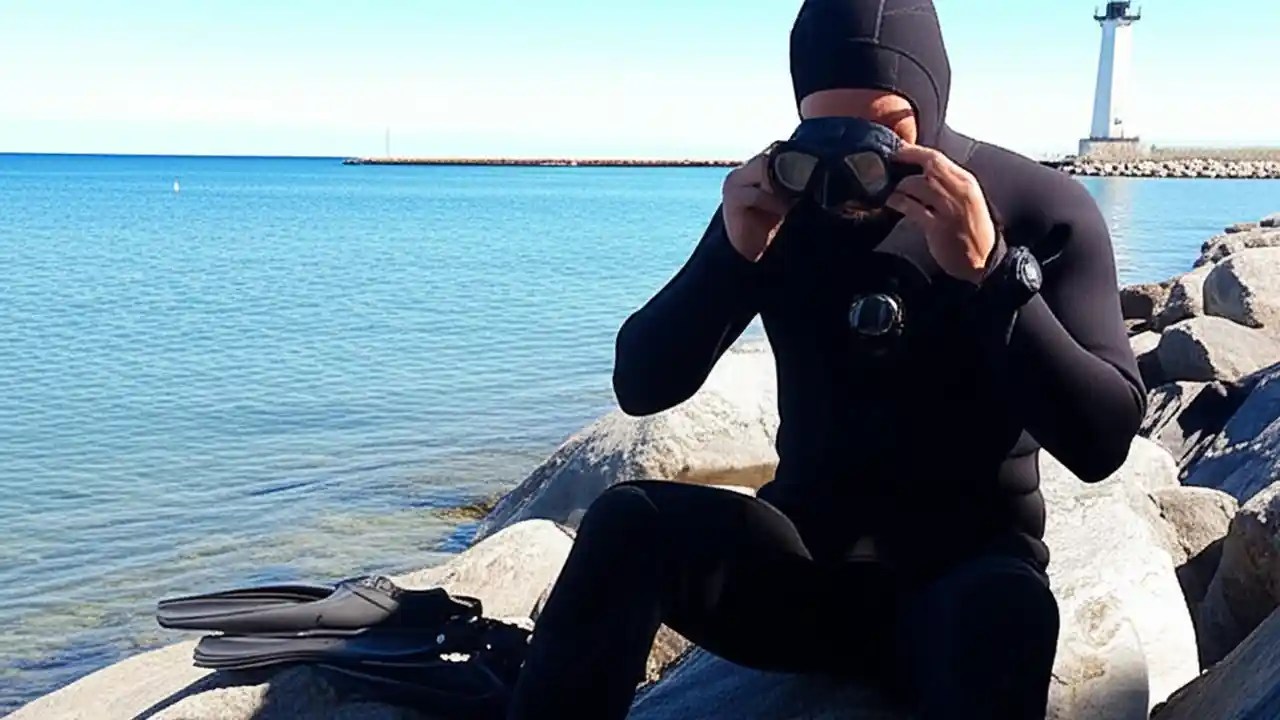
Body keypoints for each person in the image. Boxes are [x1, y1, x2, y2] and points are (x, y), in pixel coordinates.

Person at [505, 0, 1145, 718]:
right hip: (803, 574)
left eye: (888, 135)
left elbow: (1104, 439)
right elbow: (642, 386)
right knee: (628, 522)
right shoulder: (781, 203)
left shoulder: (1037, 205)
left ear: (931, 111)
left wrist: (993, 275)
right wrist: (732, 253)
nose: (857, 167)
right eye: (825, 133)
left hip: (965, 578)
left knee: (1009, 613)